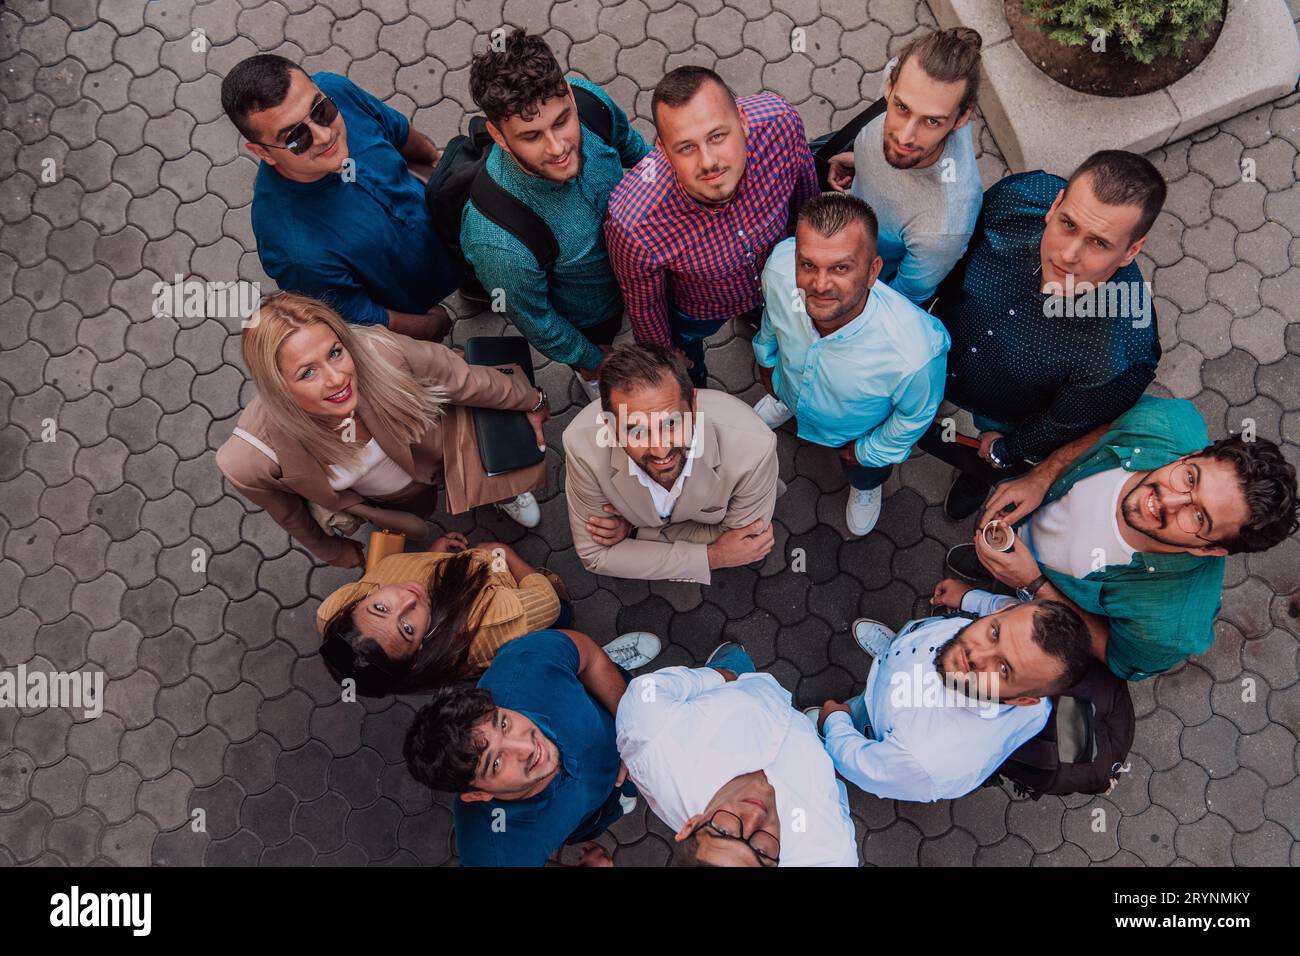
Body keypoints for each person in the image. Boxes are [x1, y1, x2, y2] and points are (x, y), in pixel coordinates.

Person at [946, 395, 1299, 681]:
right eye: (1190, 478)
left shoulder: (1170, 628)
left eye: (1198, 516)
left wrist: (1032, 584)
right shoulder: (1168, 423)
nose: (1165, 501)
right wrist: (1041, 476)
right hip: (1023, 518)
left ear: (1211, 548)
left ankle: (999, 583)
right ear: (1193, 454)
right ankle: (985, 561)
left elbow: (1116, 656)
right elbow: (1110, 425)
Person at [215, 293, 549, 569]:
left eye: (335, 352)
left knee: (486, 468)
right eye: (307, 373)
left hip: (438, 449)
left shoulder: (380, 350)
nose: (336, 378)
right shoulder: (248, 460)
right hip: (387, 500)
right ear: (278, 388)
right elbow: (290, 515)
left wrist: (531, 400)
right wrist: (332, 552)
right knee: (414, 515)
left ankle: (502, 493)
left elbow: (463, 379)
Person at [920, 150, 1167, 520]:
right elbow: (954, 256)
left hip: (1000, 409)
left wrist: (1008, 450)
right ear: (1054, 205)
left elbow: (1062, 423)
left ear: (1131, 250)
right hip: (934, 346)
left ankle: (977, 475)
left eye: (1099, 243)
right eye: (1068, 224)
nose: (1068, 254)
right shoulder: (1018, 198)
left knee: (988, 449)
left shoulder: (1122, 350)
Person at [221, 54, 468, 342]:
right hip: (418, 296)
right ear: (263, 152)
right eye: (296, 137)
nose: (324, 135)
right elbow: (364, 317)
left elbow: (398, 131)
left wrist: (438, 164)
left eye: (320, 110)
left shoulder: (336, 89)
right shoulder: (294, 251)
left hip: (458, 232)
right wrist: (431, 328)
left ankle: (476, 289)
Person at [461, 31, 650, 402]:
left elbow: (633, 149)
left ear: (567, 89)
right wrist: (592, 359)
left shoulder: (588, 99)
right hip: (593, 318)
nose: (558, 147)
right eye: (532, 137)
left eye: (562, 121)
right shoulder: (498, 242)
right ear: (498, 136)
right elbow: (538, 320)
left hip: (642, 277)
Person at [605, 66, 818, 387]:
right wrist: (667, 358)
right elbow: (646, 305)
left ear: (743, 122)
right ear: (662, 150)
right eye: (687, 147)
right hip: (701, 308)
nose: (708, 161)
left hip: (777, 276)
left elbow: (806, 202)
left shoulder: (780, 125)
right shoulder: (635, 223)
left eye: (717, 136)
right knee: (688, 367)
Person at [752, 192, 949, 537]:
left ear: (873, 271)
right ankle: (786, 404)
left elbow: (913, 417)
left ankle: (865, 485)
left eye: (841, 268)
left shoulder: (917, 352)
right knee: (785, 392)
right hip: (789, 384)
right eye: (808, 264)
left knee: (864, 470)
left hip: (855, 434)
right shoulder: (780, 268)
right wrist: (766, 363)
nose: (820, 285)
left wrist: (865, 452)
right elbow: (773, 320)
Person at [815, 582, 1093, 802]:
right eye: (995, 633)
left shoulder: (921, 758)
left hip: (874, 719)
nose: (976, 654)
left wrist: (835, 722)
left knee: (847, 731)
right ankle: (894, 653)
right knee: (902, 653)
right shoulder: (1032, 682)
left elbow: (863, 766)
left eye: (1004, 669)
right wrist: (969, 598)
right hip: (908, 656)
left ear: (1023, 700)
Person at [404, 628, 651, 867]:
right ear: (478, 795)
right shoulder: (492, 850)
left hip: (620, 725)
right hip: (597, 809)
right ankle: (621, 799)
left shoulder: (526, 661)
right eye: (496, 763)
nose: (527, 746)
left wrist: (632, 730)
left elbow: (590, 657)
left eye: (502, 723)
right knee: (615, 806)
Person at [316, 533, 662, 696]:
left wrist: (433, 559)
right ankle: (596, 665)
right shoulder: (500, 618)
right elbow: (546, 602)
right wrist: (505, 553)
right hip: (530, 611)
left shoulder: (332, 610)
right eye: (407, 628)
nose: (407, 598)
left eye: (380, 606)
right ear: (420, 650)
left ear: (353, 605)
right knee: (563, 624)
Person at [616, 642, 858, 866]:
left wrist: (722, 676)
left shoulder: (653, 734)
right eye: (761, 852)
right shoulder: (832, 854)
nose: (754, 815)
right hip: (806, 740)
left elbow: (647, 691)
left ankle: (732, 657)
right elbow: (836, 801)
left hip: (739, 681)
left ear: (691, 826)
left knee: (735, 657)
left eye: (724, 832)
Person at [563, 343, 779, 584]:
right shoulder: (581, 446)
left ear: (694, 404)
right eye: (637, 432)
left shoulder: (754, 448)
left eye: (672, 424)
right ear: (609, 424)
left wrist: (635, 532)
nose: (661, 450)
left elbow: (744, 540)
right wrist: (712, 557)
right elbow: (595, 556)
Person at [826, 27, 985, 305]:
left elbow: (896, 301)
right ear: (891, 86)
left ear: (961, 119)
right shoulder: (898, 73)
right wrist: (862, 161)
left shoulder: (943, 228)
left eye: (932, 121)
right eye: (901, 108)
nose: (905, 137)